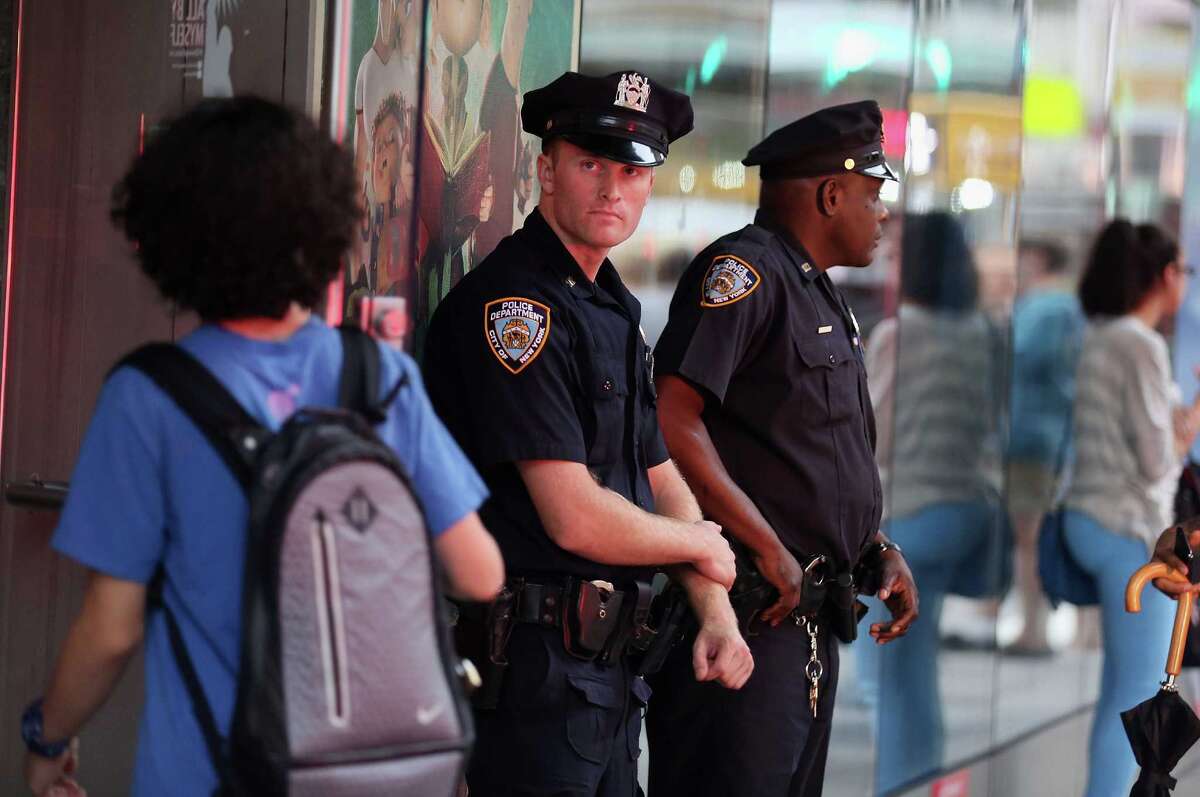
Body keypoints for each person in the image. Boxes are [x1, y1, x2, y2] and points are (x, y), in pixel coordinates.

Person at [21, 96, 504, 797]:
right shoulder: (379, 377)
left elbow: (111, 628)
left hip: (214, 774)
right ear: (327, 226)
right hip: (374, 776)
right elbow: (480, 572)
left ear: (167, 237)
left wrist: (47, 736)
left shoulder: (148, 396)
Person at [422, 70, 753, 797]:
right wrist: (702, 544)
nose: (612, 189)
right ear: (546, 169)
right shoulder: (518, 309)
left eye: (631, 170)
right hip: (530, 681)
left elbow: (660, 476)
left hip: (604, 682)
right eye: (590, 164)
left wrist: (715, 611)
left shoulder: (610, 307)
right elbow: (570, 512)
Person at [647, 100, 919, 797]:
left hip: (807, 624)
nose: (882, 213)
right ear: (831, 195)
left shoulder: (817, 292)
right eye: (873, 194)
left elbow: (809, 454)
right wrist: (765, 542)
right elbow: (672, 417)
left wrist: (873, 545)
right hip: (742, 620)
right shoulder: (745, 273)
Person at [854, 211, 1005, 792]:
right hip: (962, 509)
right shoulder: (982, 330)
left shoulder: (900, 333)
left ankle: (901, 786)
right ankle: (929, 780)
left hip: (909, 517)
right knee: (916, 675)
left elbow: (872, 432)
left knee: (890, 679)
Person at [1062, 219, 1200, 797]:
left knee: (1119, 692)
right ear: (1166, 276)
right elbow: (1155, 458)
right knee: (1138, 694)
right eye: (1184, 272)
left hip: (1091, 519)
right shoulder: (1139, 343)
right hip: (1129, 532)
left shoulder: (1104, 335)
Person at [1006, 238, 1085, 653]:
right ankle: (1034, 626)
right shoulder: (1059, 306)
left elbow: (1018, 354)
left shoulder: (1048, 307)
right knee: (1030, 535)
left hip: (1033, 437)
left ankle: (1033, 629)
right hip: (1041, 435)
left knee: (1030, 536)